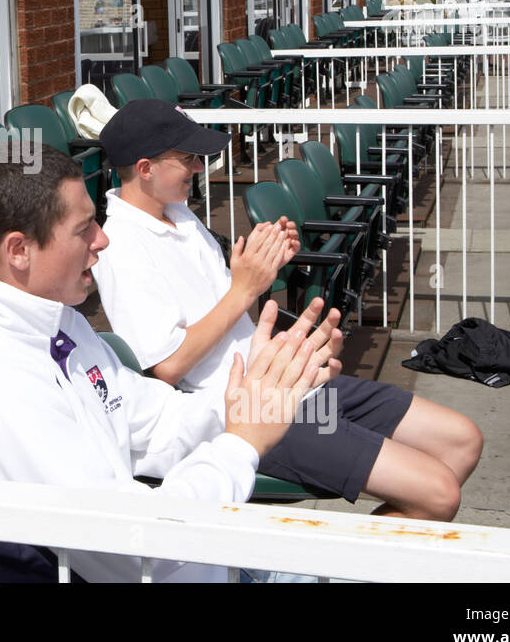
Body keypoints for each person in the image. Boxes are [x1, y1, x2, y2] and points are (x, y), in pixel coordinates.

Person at [0, 143, 332, 582]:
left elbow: (153, 422)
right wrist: (241, 444)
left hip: (208, 559)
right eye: (84, 229)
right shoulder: (1, 388)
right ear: (19, 250)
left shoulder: (58, 323)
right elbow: (138, 544)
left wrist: (254, 398)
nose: (102, 239)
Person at [91, 99, 484, 521]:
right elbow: (168, 365)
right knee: (438, 494)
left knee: (461, 440)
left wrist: (263, 265)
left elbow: (227, 314)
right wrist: (244, 289)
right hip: (243, 410)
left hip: (287, 385)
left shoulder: (178, 215)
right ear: (146, 168)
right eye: (187, 159)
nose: (199, 168)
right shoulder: (124, 247)